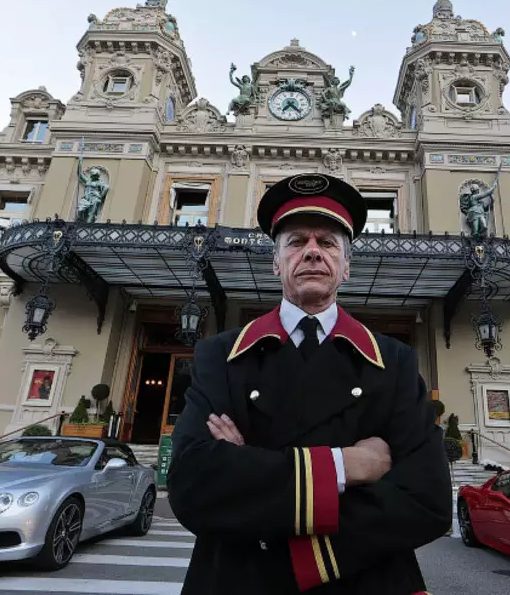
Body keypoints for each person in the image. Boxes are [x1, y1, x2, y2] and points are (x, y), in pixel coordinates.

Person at [168, 173, 452, 594]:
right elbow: (193, 484)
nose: (313, 252)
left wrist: (248, 471)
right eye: (297, 241)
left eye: (328, 242)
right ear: (276, 263)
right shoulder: (220, 356)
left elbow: (427, 500)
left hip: (360, 581)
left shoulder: (393, 362)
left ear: (347, 267)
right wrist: (345, 466)